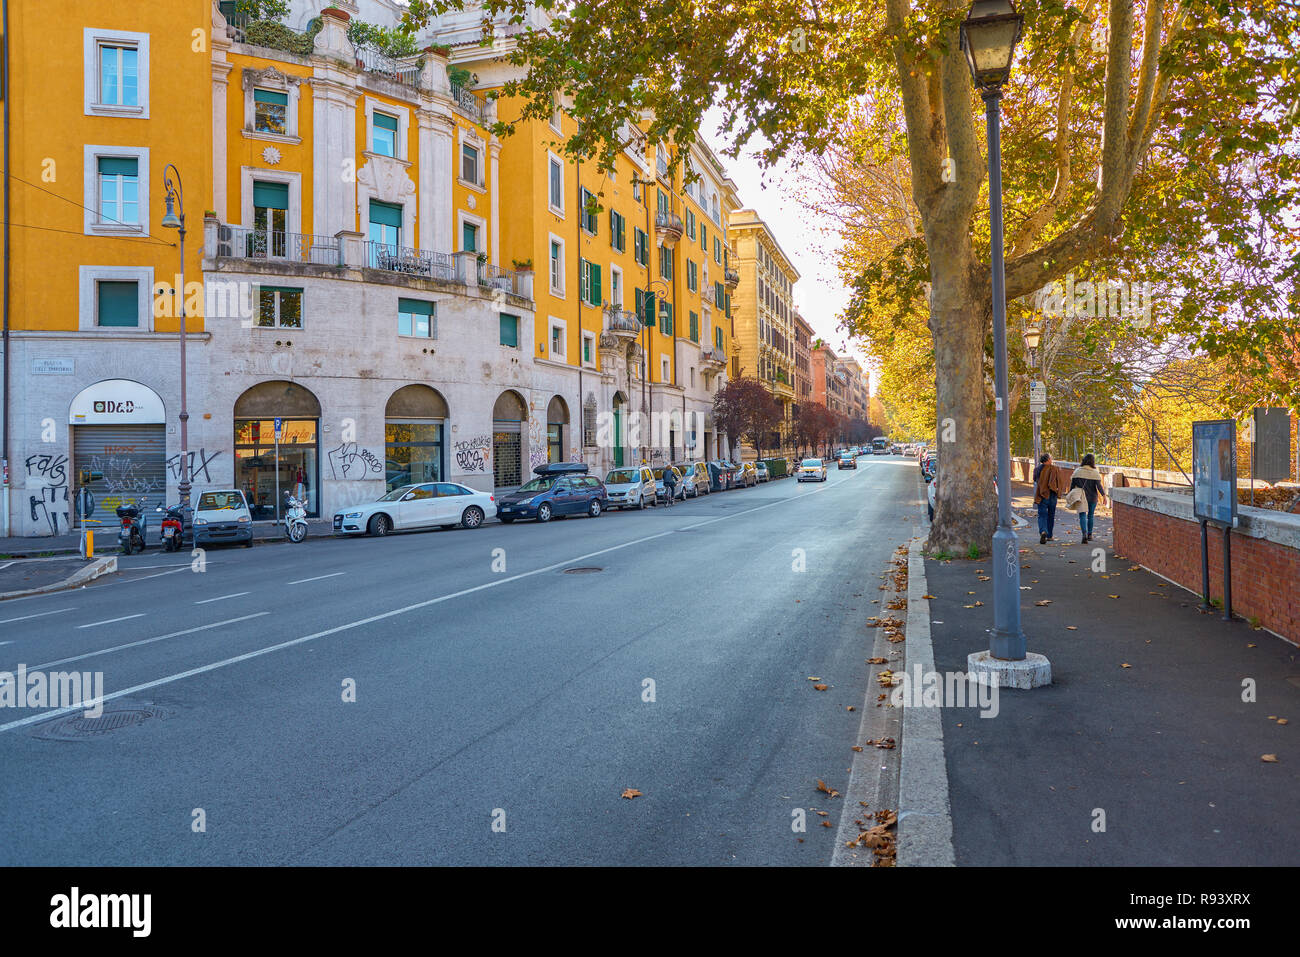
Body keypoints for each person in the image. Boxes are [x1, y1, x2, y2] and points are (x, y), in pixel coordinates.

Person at [1068, 453, 1107, 543]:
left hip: (1081, 497)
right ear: (1092, 462)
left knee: (1082, 515)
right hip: (1092, 497)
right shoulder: (1095, 472)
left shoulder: (1077, 471)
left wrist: (1071, 494)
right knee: (1090, 516)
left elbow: (1072, 485)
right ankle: (1090, 534)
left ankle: (1084, 534)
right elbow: (1099, 486)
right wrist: (1104, 496)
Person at [1032, 453, 1064, 544]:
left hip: (1041, 494)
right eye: (1050, 458)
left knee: (1042, 515)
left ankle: (1043, 531)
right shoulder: (1055, 469)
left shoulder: (1037, 469)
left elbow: (1035, 479)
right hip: (1052, 495)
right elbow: (1059, 481)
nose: (1051, 460)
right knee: (1051, 515)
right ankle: (1049, 535)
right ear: (1047, 460)